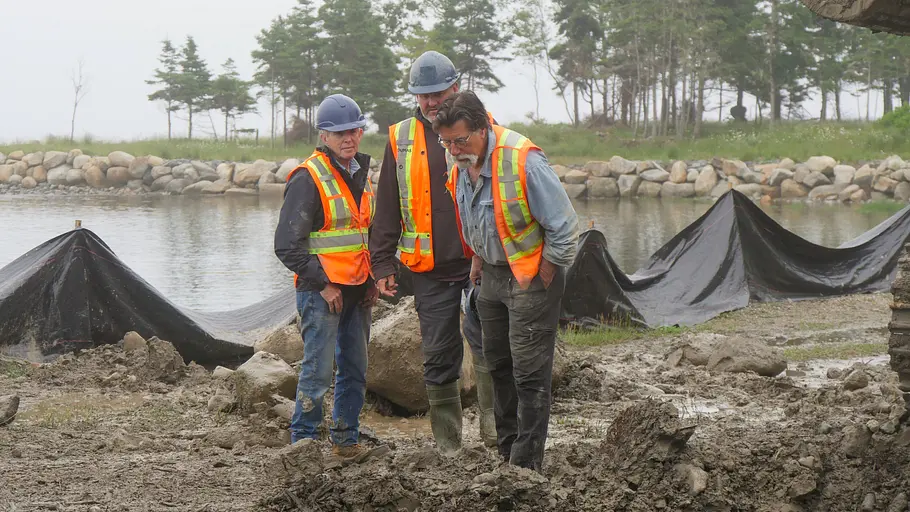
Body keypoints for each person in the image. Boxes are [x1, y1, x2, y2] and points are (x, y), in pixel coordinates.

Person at [436, 90, 580, 472]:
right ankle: (506, 453)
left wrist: (545, 272)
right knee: (497, 366)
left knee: (529, 375)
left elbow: (565, 228)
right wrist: (478, 260)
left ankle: (526, 465)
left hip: (531, 279)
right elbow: (480, 219)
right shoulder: (460, 165)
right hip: (491, 279)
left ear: (483, 127)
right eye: (446, 142)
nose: (453, 149)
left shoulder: (523, 160)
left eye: (460, 140)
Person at [369, 50, 497, 452]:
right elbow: (387, 203)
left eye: (437, 93)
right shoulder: (400, 137)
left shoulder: (483, 127)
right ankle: (449, 447)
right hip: (430, 268)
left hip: (484, 261)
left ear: (455, 89)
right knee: (440, 354)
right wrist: (381, 260)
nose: (430, 103)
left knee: (491, 347)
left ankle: (498, 436)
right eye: (422, 96)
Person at [274, 93, 378, 458]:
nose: (349, 138)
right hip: (322, 292)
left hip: (356, 291)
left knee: (354, 370)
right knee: (317, 372)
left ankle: (345, 441)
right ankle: (302, 444)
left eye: (354, 130)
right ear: (324, 136)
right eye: (340, 133)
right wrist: (324, 283)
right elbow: (287, 246)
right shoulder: (308, 178)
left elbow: (362, 235)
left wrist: (371, 281)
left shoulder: (361, 173)